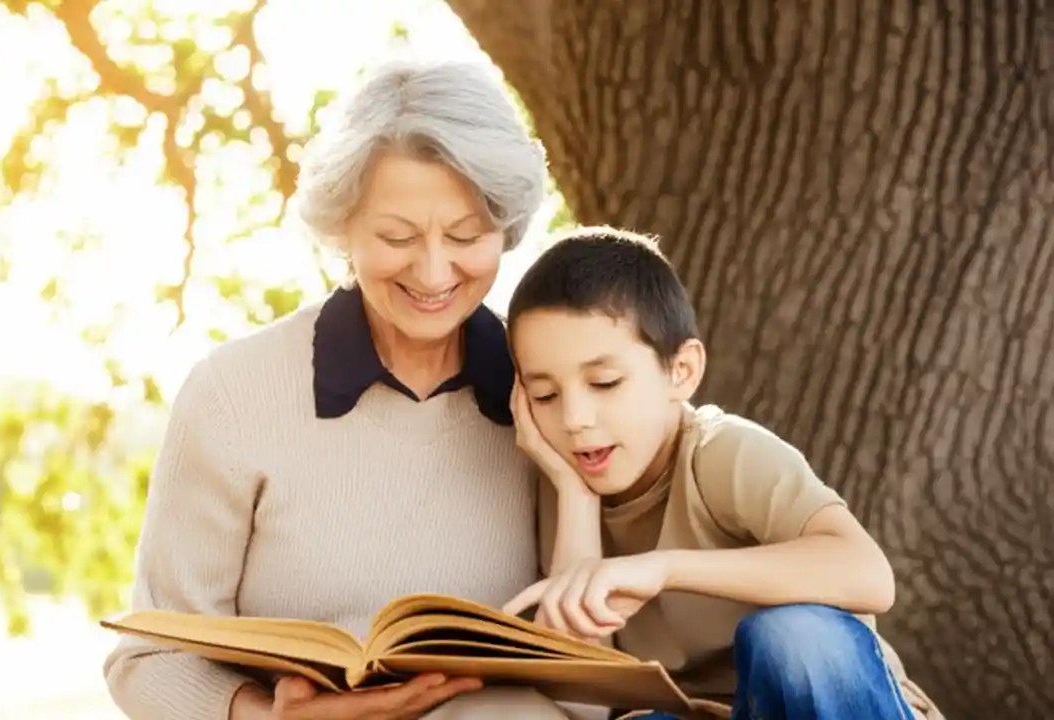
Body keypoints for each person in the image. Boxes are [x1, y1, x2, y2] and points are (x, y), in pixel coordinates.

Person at [103, 58, 588, 719]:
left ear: (505, 226)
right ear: (343, 229)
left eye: (466, 235)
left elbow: (594, 659)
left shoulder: (552, 394)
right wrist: (264, 716)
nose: (434, 270)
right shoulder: (233, 395)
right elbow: (148, 658)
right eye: (397, 237)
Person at [500, 227, 943, 720]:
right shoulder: (551, 486)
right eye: (544, 394)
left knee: (792, 637)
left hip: (828, 704)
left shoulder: (722, 452)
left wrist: (664, 568)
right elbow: (582, 702)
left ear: (681, 371)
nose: (575, 418)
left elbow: (868, 575)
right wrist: (577, 500)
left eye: (604, 382)